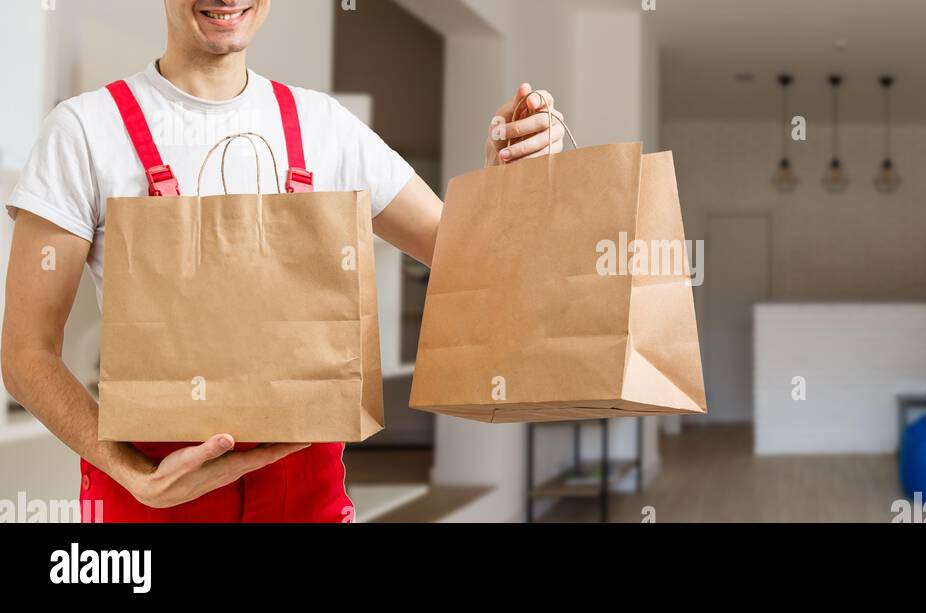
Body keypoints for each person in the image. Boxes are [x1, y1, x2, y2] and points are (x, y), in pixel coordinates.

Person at [0, 0, 567, 522]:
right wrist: (129, 472)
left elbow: (470, 267)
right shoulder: (84, 131)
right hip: (152, 494)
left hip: (307, 495)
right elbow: (26, 354)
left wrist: (507, 181)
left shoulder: (326, 128)